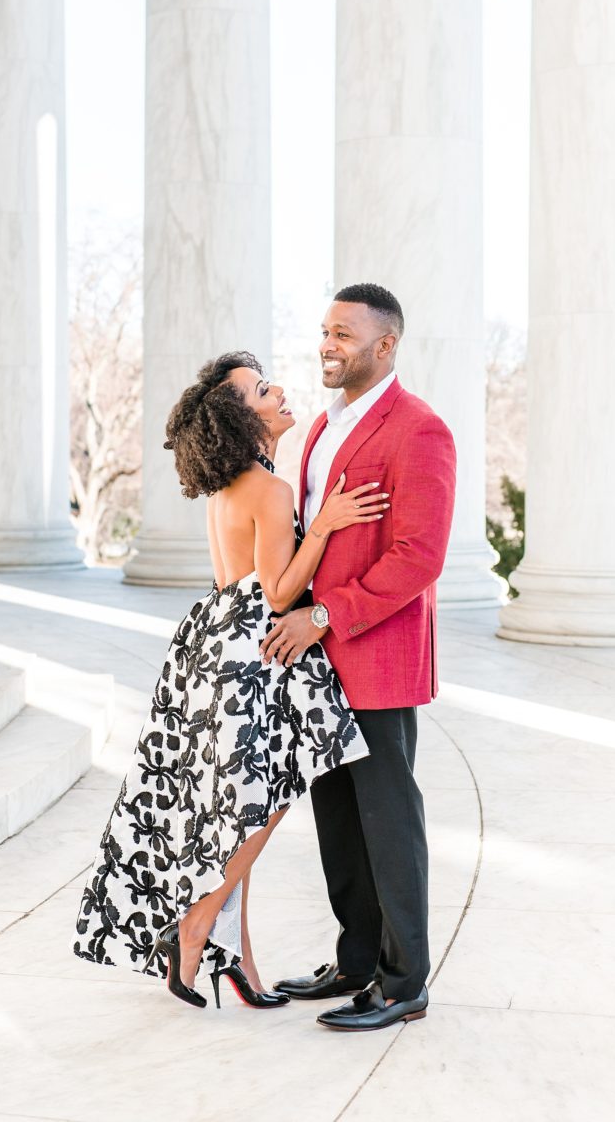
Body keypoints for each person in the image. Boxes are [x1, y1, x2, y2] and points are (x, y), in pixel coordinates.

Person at [72, 352, 386, 1011]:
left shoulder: (231, 486)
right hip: (255, 651)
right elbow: (277, 589)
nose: (278, 391)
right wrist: (324, 524)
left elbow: (238, 580)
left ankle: (238, 961)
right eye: (261, 390)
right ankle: (195, 923)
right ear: (242, 421)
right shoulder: (268, 490)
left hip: (216, 639)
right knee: (260, 805)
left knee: (236, 804)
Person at [261, 284, 457, 1032]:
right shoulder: (320, 427)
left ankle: (404, 980)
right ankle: (355, 958)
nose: (327, 344)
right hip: (316, 661)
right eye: (323, 331)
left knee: (386, 817)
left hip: (374, 654)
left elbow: (419, 556)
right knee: (337, 815)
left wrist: (323, 614)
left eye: (343, 333)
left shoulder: (421, 431)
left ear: (386, 344)